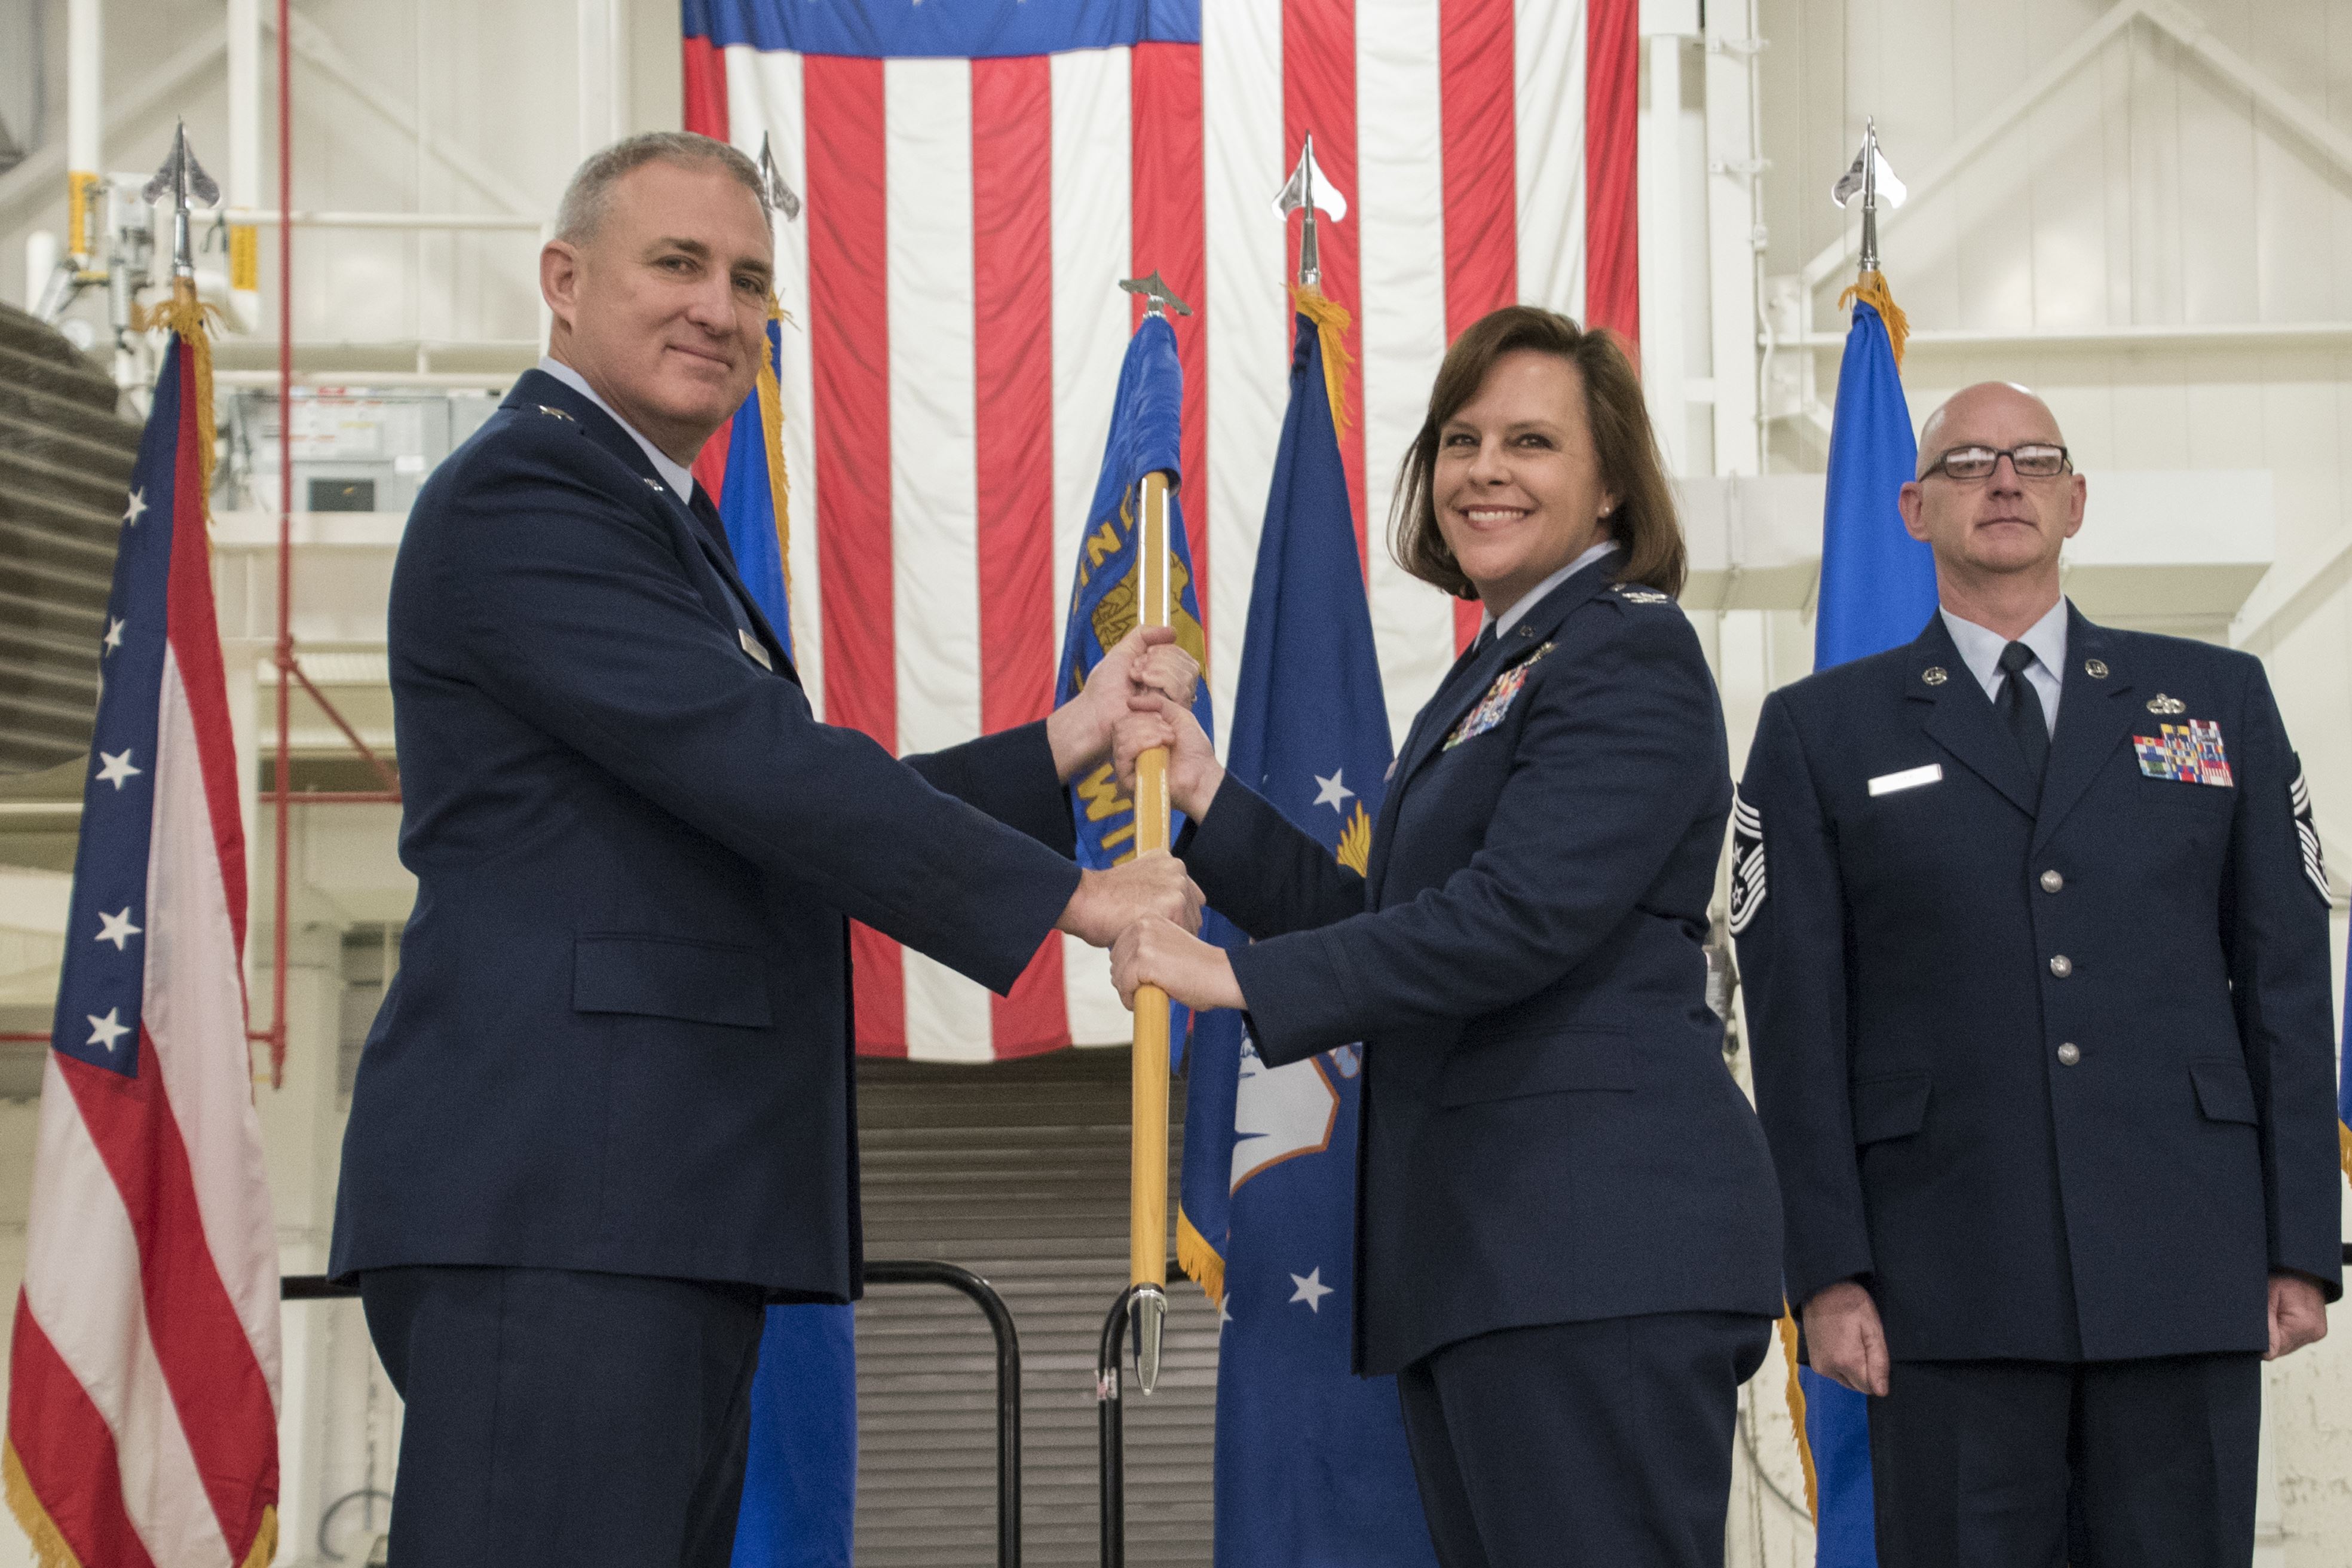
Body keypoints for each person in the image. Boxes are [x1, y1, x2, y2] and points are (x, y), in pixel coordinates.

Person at [327, 132, 1203, 1568]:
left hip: (653, 1204)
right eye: (675, 264)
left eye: (747, 280)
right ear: (562, 279)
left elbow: (748, 811)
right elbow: (767, 772)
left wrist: (1064, 744)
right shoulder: (527, 498)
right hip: (564, 1207)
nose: (719, 310)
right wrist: (1078, 896)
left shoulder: (646, 520)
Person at [1110, 305, 1784, 1567]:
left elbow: (1516, 920)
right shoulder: (1498, 670)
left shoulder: (1627, 650)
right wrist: (1211, 799)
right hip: (1495, 1259)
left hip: (1595, 1251)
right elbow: (1400, 925)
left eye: (1532, 440)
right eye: (1462, 437)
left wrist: (1234, 977)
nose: (1485, 468)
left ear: (1611, 488)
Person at [1734, 381, 2342, 1567]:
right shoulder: (1822, 733)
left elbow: (2283, 978)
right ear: (1913, 508)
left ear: (2075, 500)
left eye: (2032, 458)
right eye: (1967, 463)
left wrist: (2299, 1244)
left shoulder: (2215, 703)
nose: (2002, 480)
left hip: (2184, 1262)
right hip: (1943, 1281)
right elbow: (1799, 1023)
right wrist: (1828, 1274)